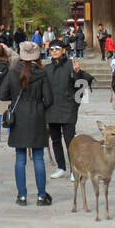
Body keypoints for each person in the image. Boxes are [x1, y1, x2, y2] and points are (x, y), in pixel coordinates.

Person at [0, 41, 54, 206]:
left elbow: (2, 95)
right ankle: (41, 196)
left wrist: (16, 99)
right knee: (38, 157)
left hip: (18, 118)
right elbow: (49, 99)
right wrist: (38, 106)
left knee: (20, 158)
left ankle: (22, 196)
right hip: (36, 116)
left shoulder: (13, 72)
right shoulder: (41, 74)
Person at [43, 42, 84, 180]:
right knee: (55, 139)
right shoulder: (47, 68)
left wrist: (78, 73)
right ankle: (61, 166)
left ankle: (74, 169)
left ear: (64, 51)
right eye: (52, 49)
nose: (54, 51)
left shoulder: (71, 66)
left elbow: (81, 88)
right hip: (51, 108)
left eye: (57, 49)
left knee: (70, 141)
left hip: (68, 108)